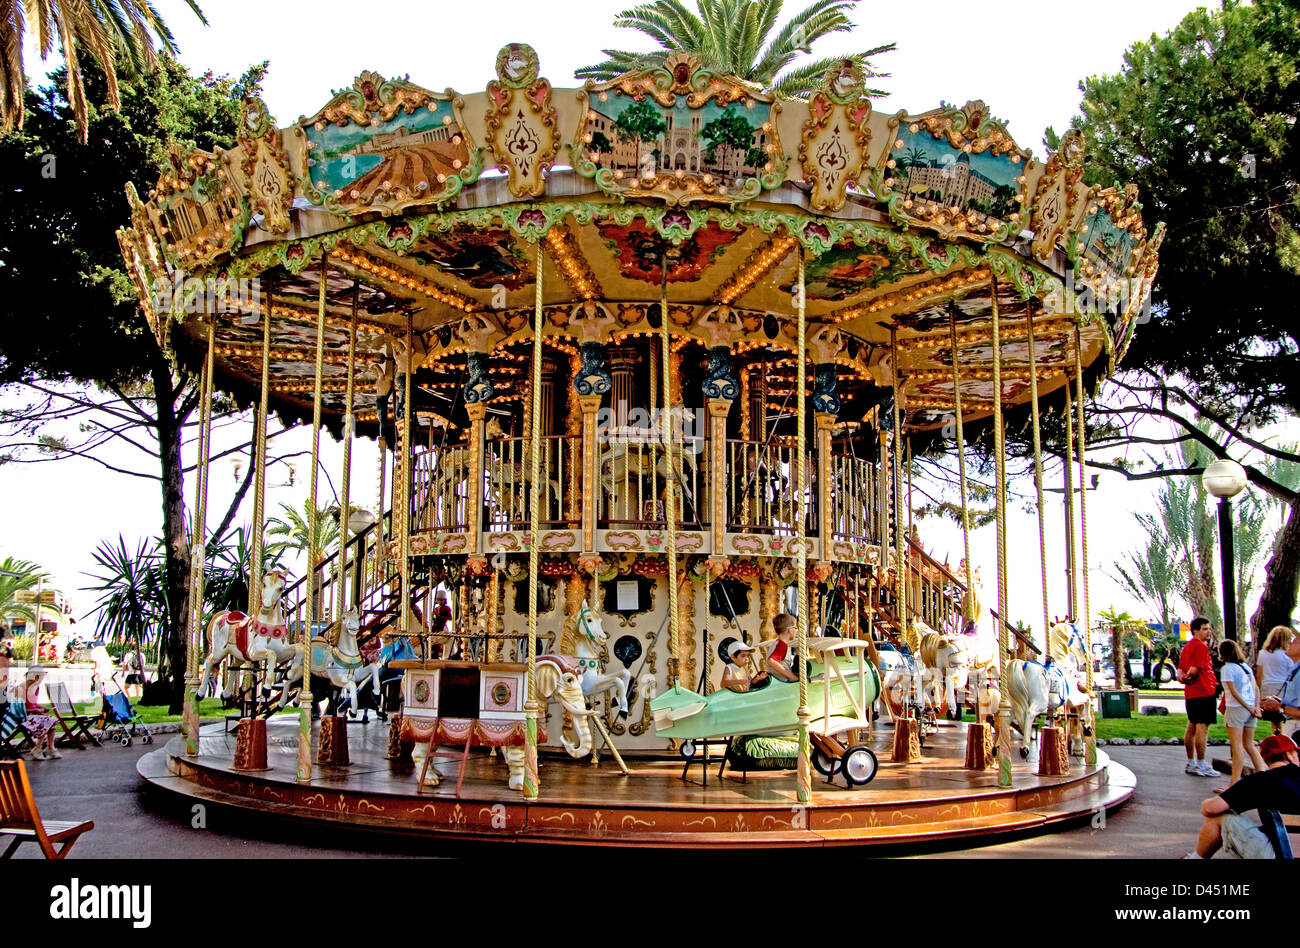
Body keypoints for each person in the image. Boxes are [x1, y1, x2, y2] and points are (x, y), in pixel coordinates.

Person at [1185, 733, 1300, 858]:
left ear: (1266, 759)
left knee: (1219, 816)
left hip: (1282, 854)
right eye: (1297, 754)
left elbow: (1210, 809)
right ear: (1289, 755)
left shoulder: (1260, 780)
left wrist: (1211, 801)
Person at [1219, 639, 1264, 787]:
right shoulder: (1245, 667)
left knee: (1237, 746)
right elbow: (1256, 688)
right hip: (1250, 707)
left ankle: (1234, 783)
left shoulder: (1228, 669)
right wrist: (1255, 706)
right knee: (1249, 744)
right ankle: (1262, 775)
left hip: (1236, 708)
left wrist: (1248, 707)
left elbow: (1233, 692)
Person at [1178, 617, 1218, 777]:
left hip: (1192, 693)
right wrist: (1189, 677)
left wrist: (1183, 678)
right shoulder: (1200, 647)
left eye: (1209, 628)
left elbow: (1180, 670)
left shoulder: (1187, 647)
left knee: (1192, 725)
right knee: (1202, 727)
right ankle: (1201, 763)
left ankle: (1191, 762)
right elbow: (1193, 670)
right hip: (1203, 691)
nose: (1208, 631)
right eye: (1205, 629)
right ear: (1195, 631)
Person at [1259, 631, 1300, 738]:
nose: (1290, 643)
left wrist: (1279, 706)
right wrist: (1278, 702)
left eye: (1295, 641)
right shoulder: (1295, 669)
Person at [21, 666, 60, 760]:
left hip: (32, 715)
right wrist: (36, 711)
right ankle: (37, 749)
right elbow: (19, 709)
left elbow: (33, 704)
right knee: (44, 721)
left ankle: (50, 747)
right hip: (23, 716)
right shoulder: (22, 688)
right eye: (41, 676)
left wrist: (41, 708)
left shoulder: (35, 687)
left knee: (53, 720)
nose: (42, 679)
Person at [765, 614, 799, 683]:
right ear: (790, 630)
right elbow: (771, 661)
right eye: (795, 628)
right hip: (781, 681)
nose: (796, 631)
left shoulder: (778, 643)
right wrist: (791, 676)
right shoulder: (782, 645)